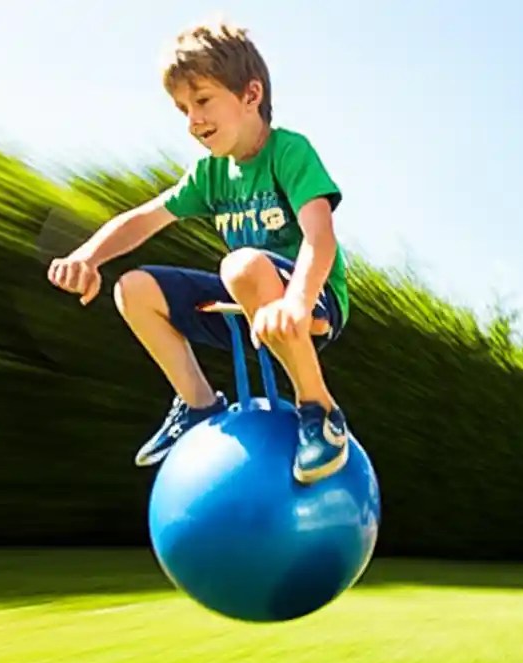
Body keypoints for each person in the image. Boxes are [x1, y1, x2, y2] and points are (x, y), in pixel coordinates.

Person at [46, 20, 352, 484]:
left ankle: (321, 412)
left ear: (251, 95)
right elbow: (142, 219)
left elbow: (320, 237)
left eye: (203, 100)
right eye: (183, 109)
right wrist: (88, 257)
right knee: (134, 289)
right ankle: (198, 405)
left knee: (242, 263)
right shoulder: (210, 175)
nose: (193, 121)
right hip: (248, 302)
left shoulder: (289, 152)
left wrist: (298, 301)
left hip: (313, 301)